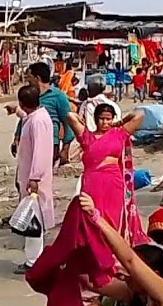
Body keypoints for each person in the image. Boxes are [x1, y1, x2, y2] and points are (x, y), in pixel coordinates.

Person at [66, 104, 147, 242]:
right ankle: (95, 247)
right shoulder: (87, 137)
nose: (105, 122)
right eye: (101, 119)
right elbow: (70, 116)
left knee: (113, 216)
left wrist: (119, 122)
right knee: (92, 215)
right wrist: (82, 120)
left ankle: (113, 247)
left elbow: (139, 115)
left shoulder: (119, 133)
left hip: (113, 181)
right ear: (96, 119)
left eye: (108, 119)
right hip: (92, 182)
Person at [13, 85, 56, 269]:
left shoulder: (38, 121)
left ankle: (33, 261)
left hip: (35, 177)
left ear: (22, 103)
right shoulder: (39, 116)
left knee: (33, 220)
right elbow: (29, 119)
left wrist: (35, 177)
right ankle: (34, 258)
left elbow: (39, 150)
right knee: (33, 217)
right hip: (32, 175)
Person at [12, 62, 73, 167]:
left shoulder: (58, 96)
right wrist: (17, 138)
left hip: (49, 143)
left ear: (37, 78)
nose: (27, 81)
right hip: (29, 141)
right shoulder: (30, 94)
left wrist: (65, 149)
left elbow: (68, 122)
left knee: (40, 175)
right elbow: (25, 117)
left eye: (29, 77)